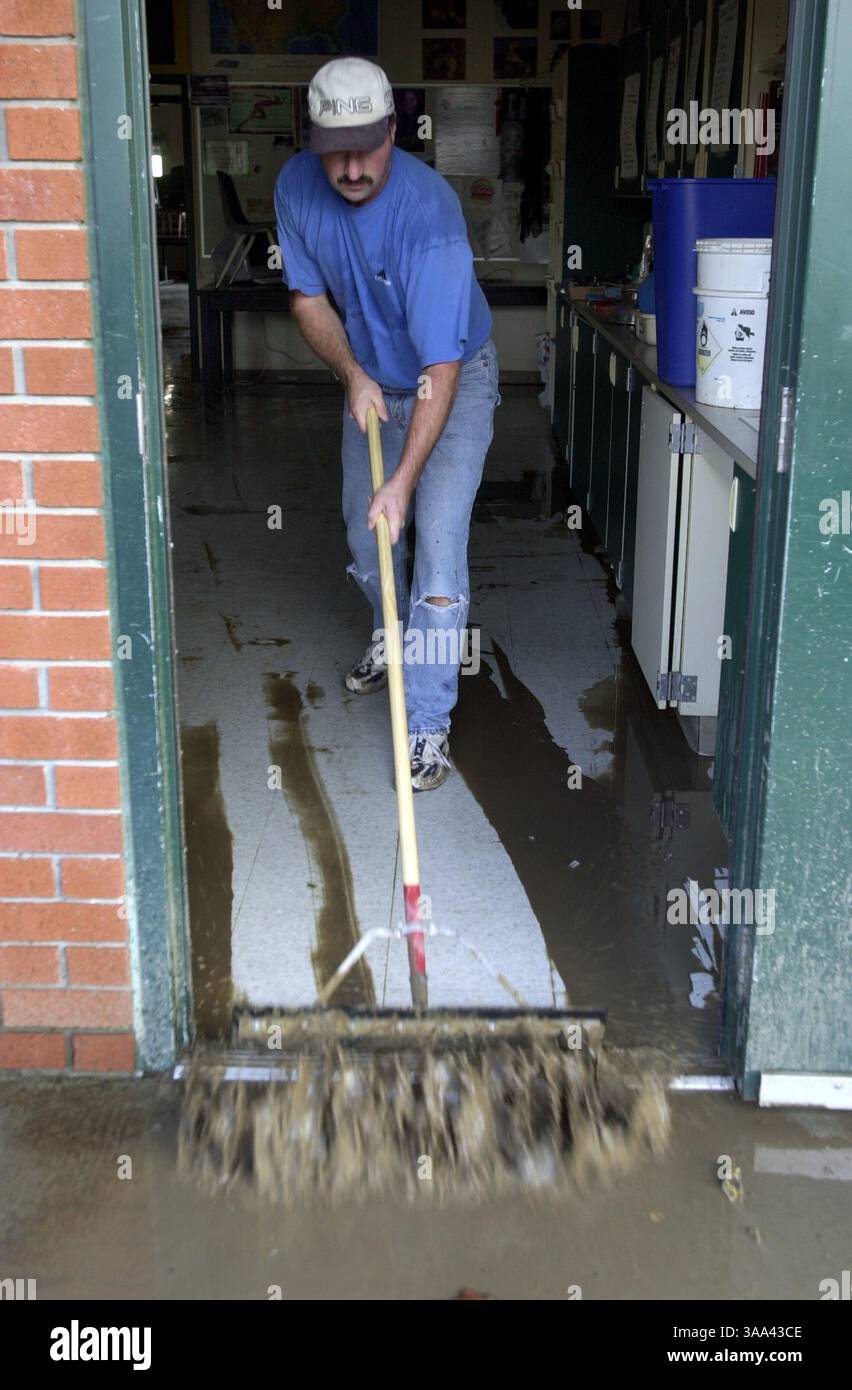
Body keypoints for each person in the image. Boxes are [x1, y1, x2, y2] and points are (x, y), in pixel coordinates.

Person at [274, 57, 499, 792]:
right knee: (364, 536)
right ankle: (389, 635)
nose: (350, 167)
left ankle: (427, 725)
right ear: (312, 138)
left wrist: (403, 480)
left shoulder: (429, 216)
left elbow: (442, 368)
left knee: (434, 549)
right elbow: (309, 302)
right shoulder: (295, 190)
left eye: (366, 146)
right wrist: (354, 375)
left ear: (394, 131)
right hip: (370, 376)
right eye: (333, 148)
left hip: (450, 381)